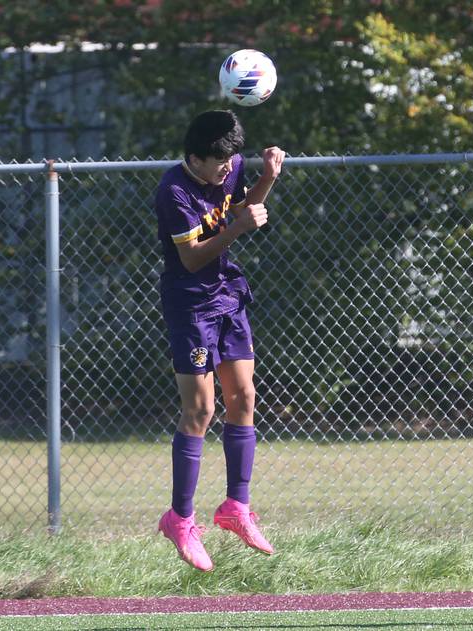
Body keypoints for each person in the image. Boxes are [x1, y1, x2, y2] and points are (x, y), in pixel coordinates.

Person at [153, 109, 284, 572]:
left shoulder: (228, 163)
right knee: (201, 410)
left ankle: (236, 508)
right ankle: (180, 519)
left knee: (244, 396)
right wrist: (239, 228)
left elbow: (243, 203)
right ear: (195, 159)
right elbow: (191, 259)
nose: (229, 168)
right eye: (219, 163)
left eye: (233, 160)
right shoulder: (173, 190)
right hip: (190, 303)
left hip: (228, 294)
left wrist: (267, 178)